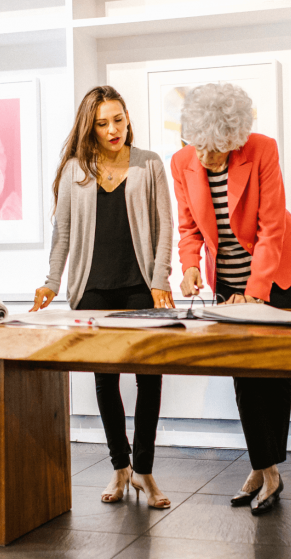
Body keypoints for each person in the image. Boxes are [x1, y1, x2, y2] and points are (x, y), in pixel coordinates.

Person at [172, 83, 291, 516]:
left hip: (277, 274)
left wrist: (254, 296)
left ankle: (266, 470)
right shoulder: (182, 161)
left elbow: (271, 230)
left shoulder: (262, 150)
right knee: (241, 371)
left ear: (234, 142)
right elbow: (189, 228)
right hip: (226, 279)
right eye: (199, 146)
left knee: (271, 369)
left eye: (215, 150)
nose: (205, 158)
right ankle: (263, 468)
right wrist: (191, 266)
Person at [31, 86, 175, 509]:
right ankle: (120, 466)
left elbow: (165, 226)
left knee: (149, 379)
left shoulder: (149, 164)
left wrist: (160, 278)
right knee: (104, 380)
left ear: (128, 118)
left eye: (118, 119)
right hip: (91, 290)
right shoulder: (77, 169)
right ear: (89, 128)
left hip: (140, 287)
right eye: (102, 123)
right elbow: (63, 233)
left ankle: (145, 471)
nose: (113, 129)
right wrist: (52, 282)